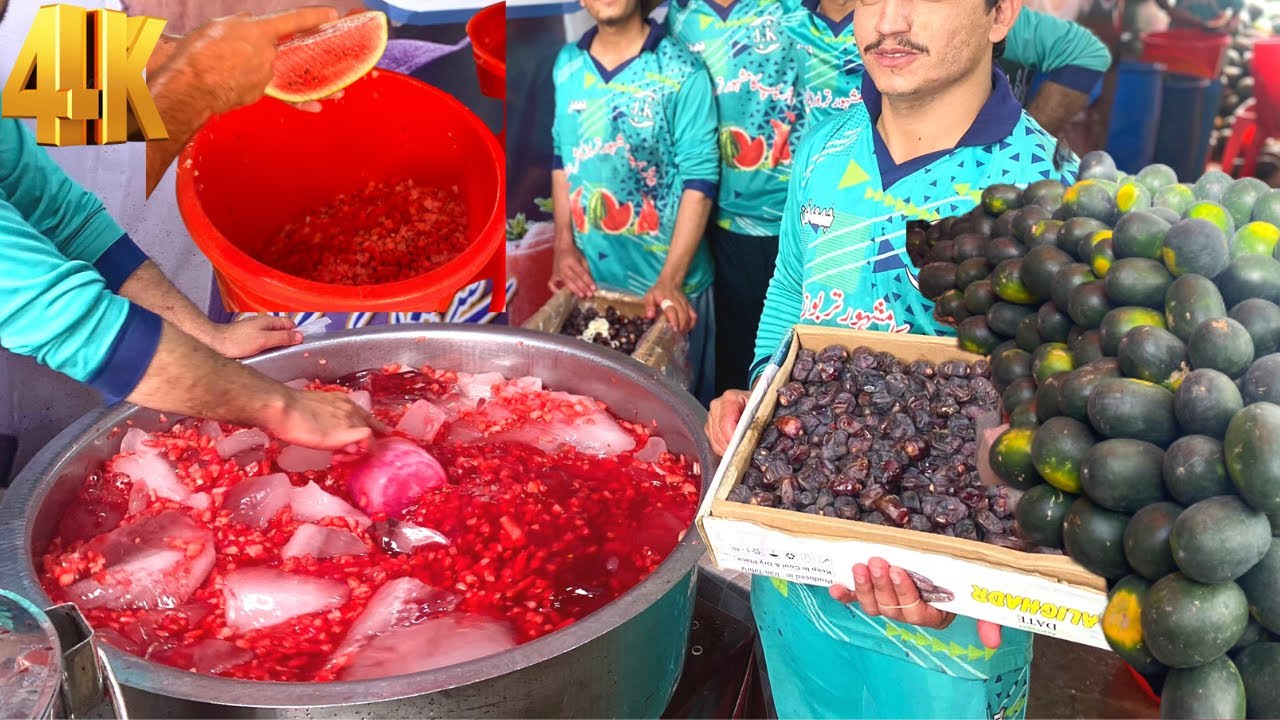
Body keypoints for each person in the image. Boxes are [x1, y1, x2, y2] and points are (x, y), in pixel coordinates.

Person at [706, 0, 1080, 713]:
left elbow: (1056, 429)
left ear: (1001, 15)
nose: (888, 19)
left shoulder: (1049, 192)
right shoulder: (823, 147)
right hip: (798, 575)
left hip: (951, 632)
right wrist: (760, 396)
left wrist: (970, 580)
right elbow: (792, 288)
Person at [0, 4, 375, 450]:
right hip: (54, 351)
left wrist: (207, 336)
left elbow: (69, 220)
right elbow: (68, 319)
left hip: (122, 336)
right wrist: (285, 407)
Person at [549, 0, 720, 404]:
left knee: (680, 418)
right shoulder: (567, 64)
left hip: (670, 293)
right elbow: (561, 157)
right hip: (596, 288)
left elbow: (701, 177)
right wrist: (563, 244)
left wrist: (671, 281)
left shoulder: (681, 70)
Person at [664, 0, 799, 396]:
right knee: (738, 358)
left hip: (794, 217)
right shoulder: (681, 18)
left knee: (796, 362)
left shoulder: (793, 8)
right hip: (723, 223)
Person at [784, 0, 1112, 136]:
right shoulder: (782, 12)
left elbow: (1084, 53)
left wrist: (1020, 134)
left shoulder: (968, 13)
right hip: (820, 201)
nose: (889, 23)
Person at [1155, 0, 1243, 32]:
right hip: (1179, 34)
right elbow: (1162, 3)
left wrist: (1229, 25)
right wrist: (1169, 10)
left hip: (1212, 40)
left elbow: (1237, 10)